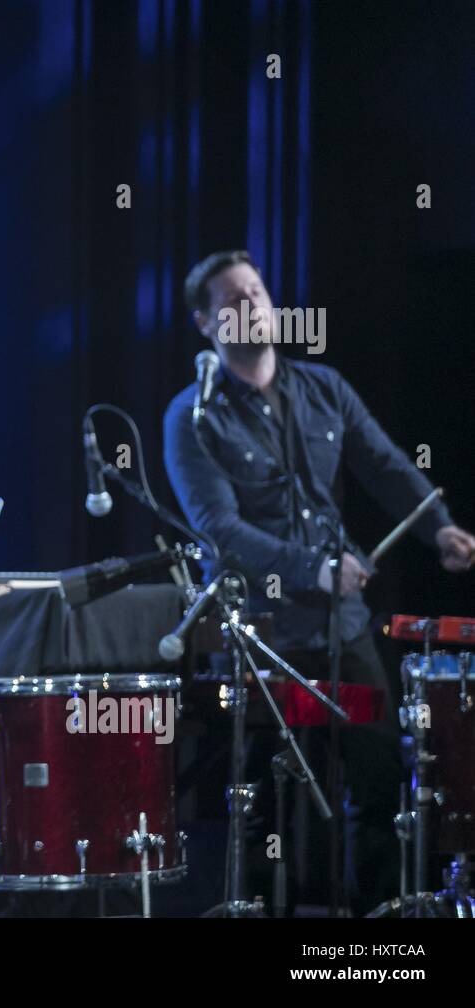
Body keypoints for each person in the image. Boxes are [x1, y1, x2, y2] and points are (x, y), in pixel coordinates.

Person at [163, 249, 474, 914]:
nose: (251, 305)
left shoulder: (323, 388)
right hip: (262, 634)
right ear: (204, 323)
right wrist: (316, 568)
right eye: (232, 299)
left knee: (379, 775)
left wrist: (438, 527)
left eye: (257, 291)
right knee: (259, 802)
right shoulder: (193, 417)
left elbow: (385, 465)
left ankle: (378, 932)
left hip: (342, 629)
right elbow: (220, 530)